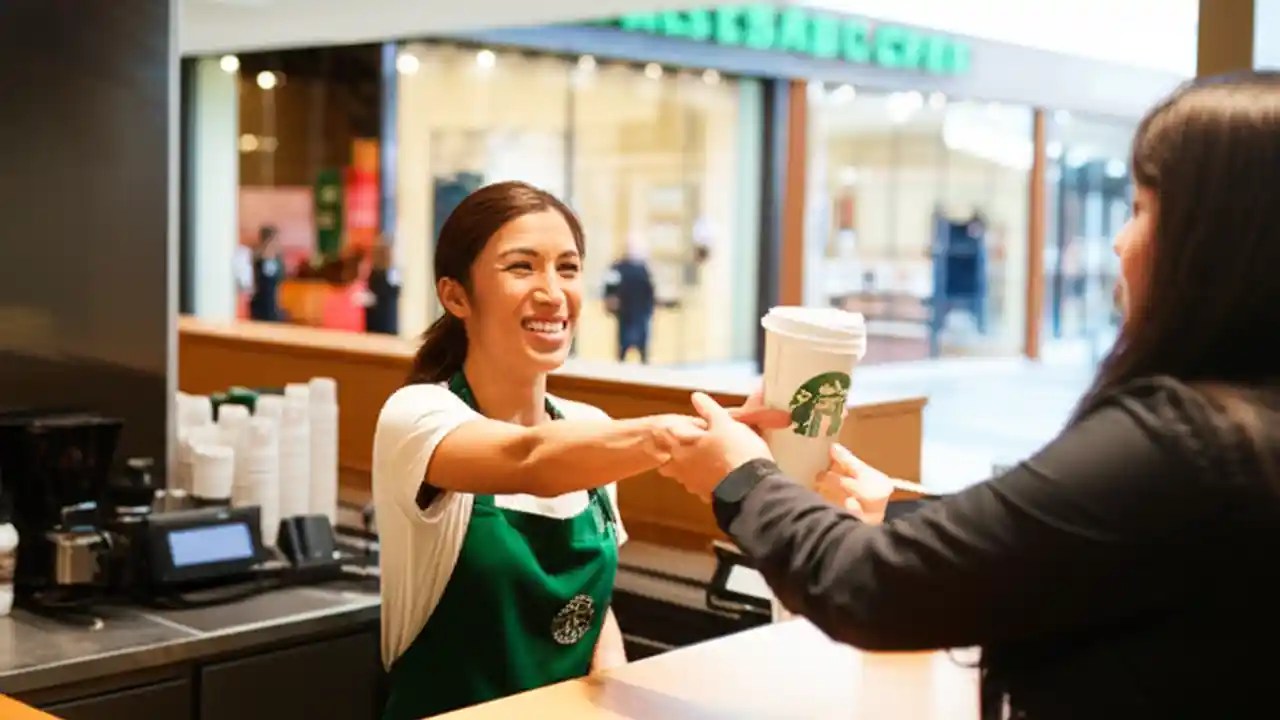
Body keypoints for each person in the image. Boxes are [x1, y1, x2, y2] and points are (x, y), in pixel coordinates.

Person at [656, 73, 1280, 719]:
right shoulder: (1242, 435)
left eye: (1144, 210)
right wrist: (892, 517)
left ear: (1223, 240)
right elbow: (1057, 539)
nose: (1120, 244)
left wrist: (742, 480)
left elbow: (874, 588)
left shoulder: (1188, 442)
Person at [371, 181, 785, 719]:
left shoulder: (590, 429)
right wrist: (673, 436)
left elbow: (594, 610)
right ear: (455, 296)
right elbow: (528, 459)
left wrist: (613, 695)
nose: (552, 291)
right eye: (522, 267)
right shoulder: (417, 416)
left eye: (567, 269)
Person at [603, 234, 656, 363]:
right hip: (629, 313)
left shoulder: (641, 269)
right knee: (628, 346)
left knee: (635, 346)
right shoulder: (627, 268)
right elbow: (610, 289)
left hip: (636, 313)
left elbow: (650, 292)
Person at [248, 224, 283, 322]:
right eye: (274, 240)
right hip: (260, 303)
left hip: (274, 304)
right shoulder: (257, 259)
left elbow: (280, 278)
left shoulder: (278, 260)